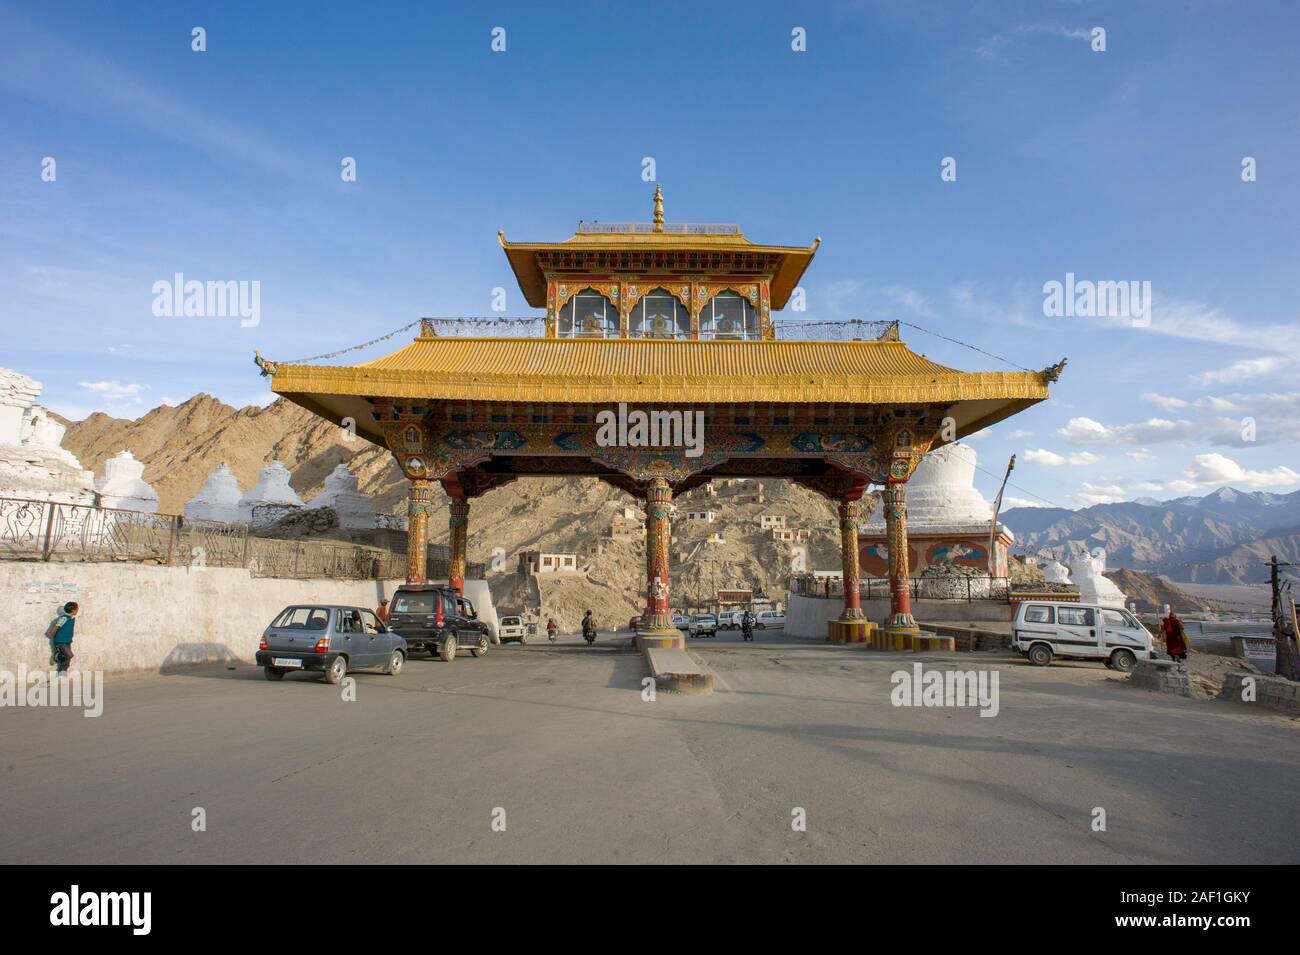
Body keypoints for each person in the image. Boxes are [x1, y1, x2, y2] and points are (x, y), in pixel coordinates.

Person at [45, 602, 79, 675]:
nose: (77, 610)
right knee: (69, 655)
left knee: (67, 658)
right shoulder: (64, 618)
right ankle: (56, 656)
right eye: (77, 609)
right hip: (60, 641)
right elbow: (55, 628)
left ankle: (62, 673)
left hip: (67, 641)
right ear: (73, 610)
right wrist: (53, 638)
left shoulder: (71, 618)